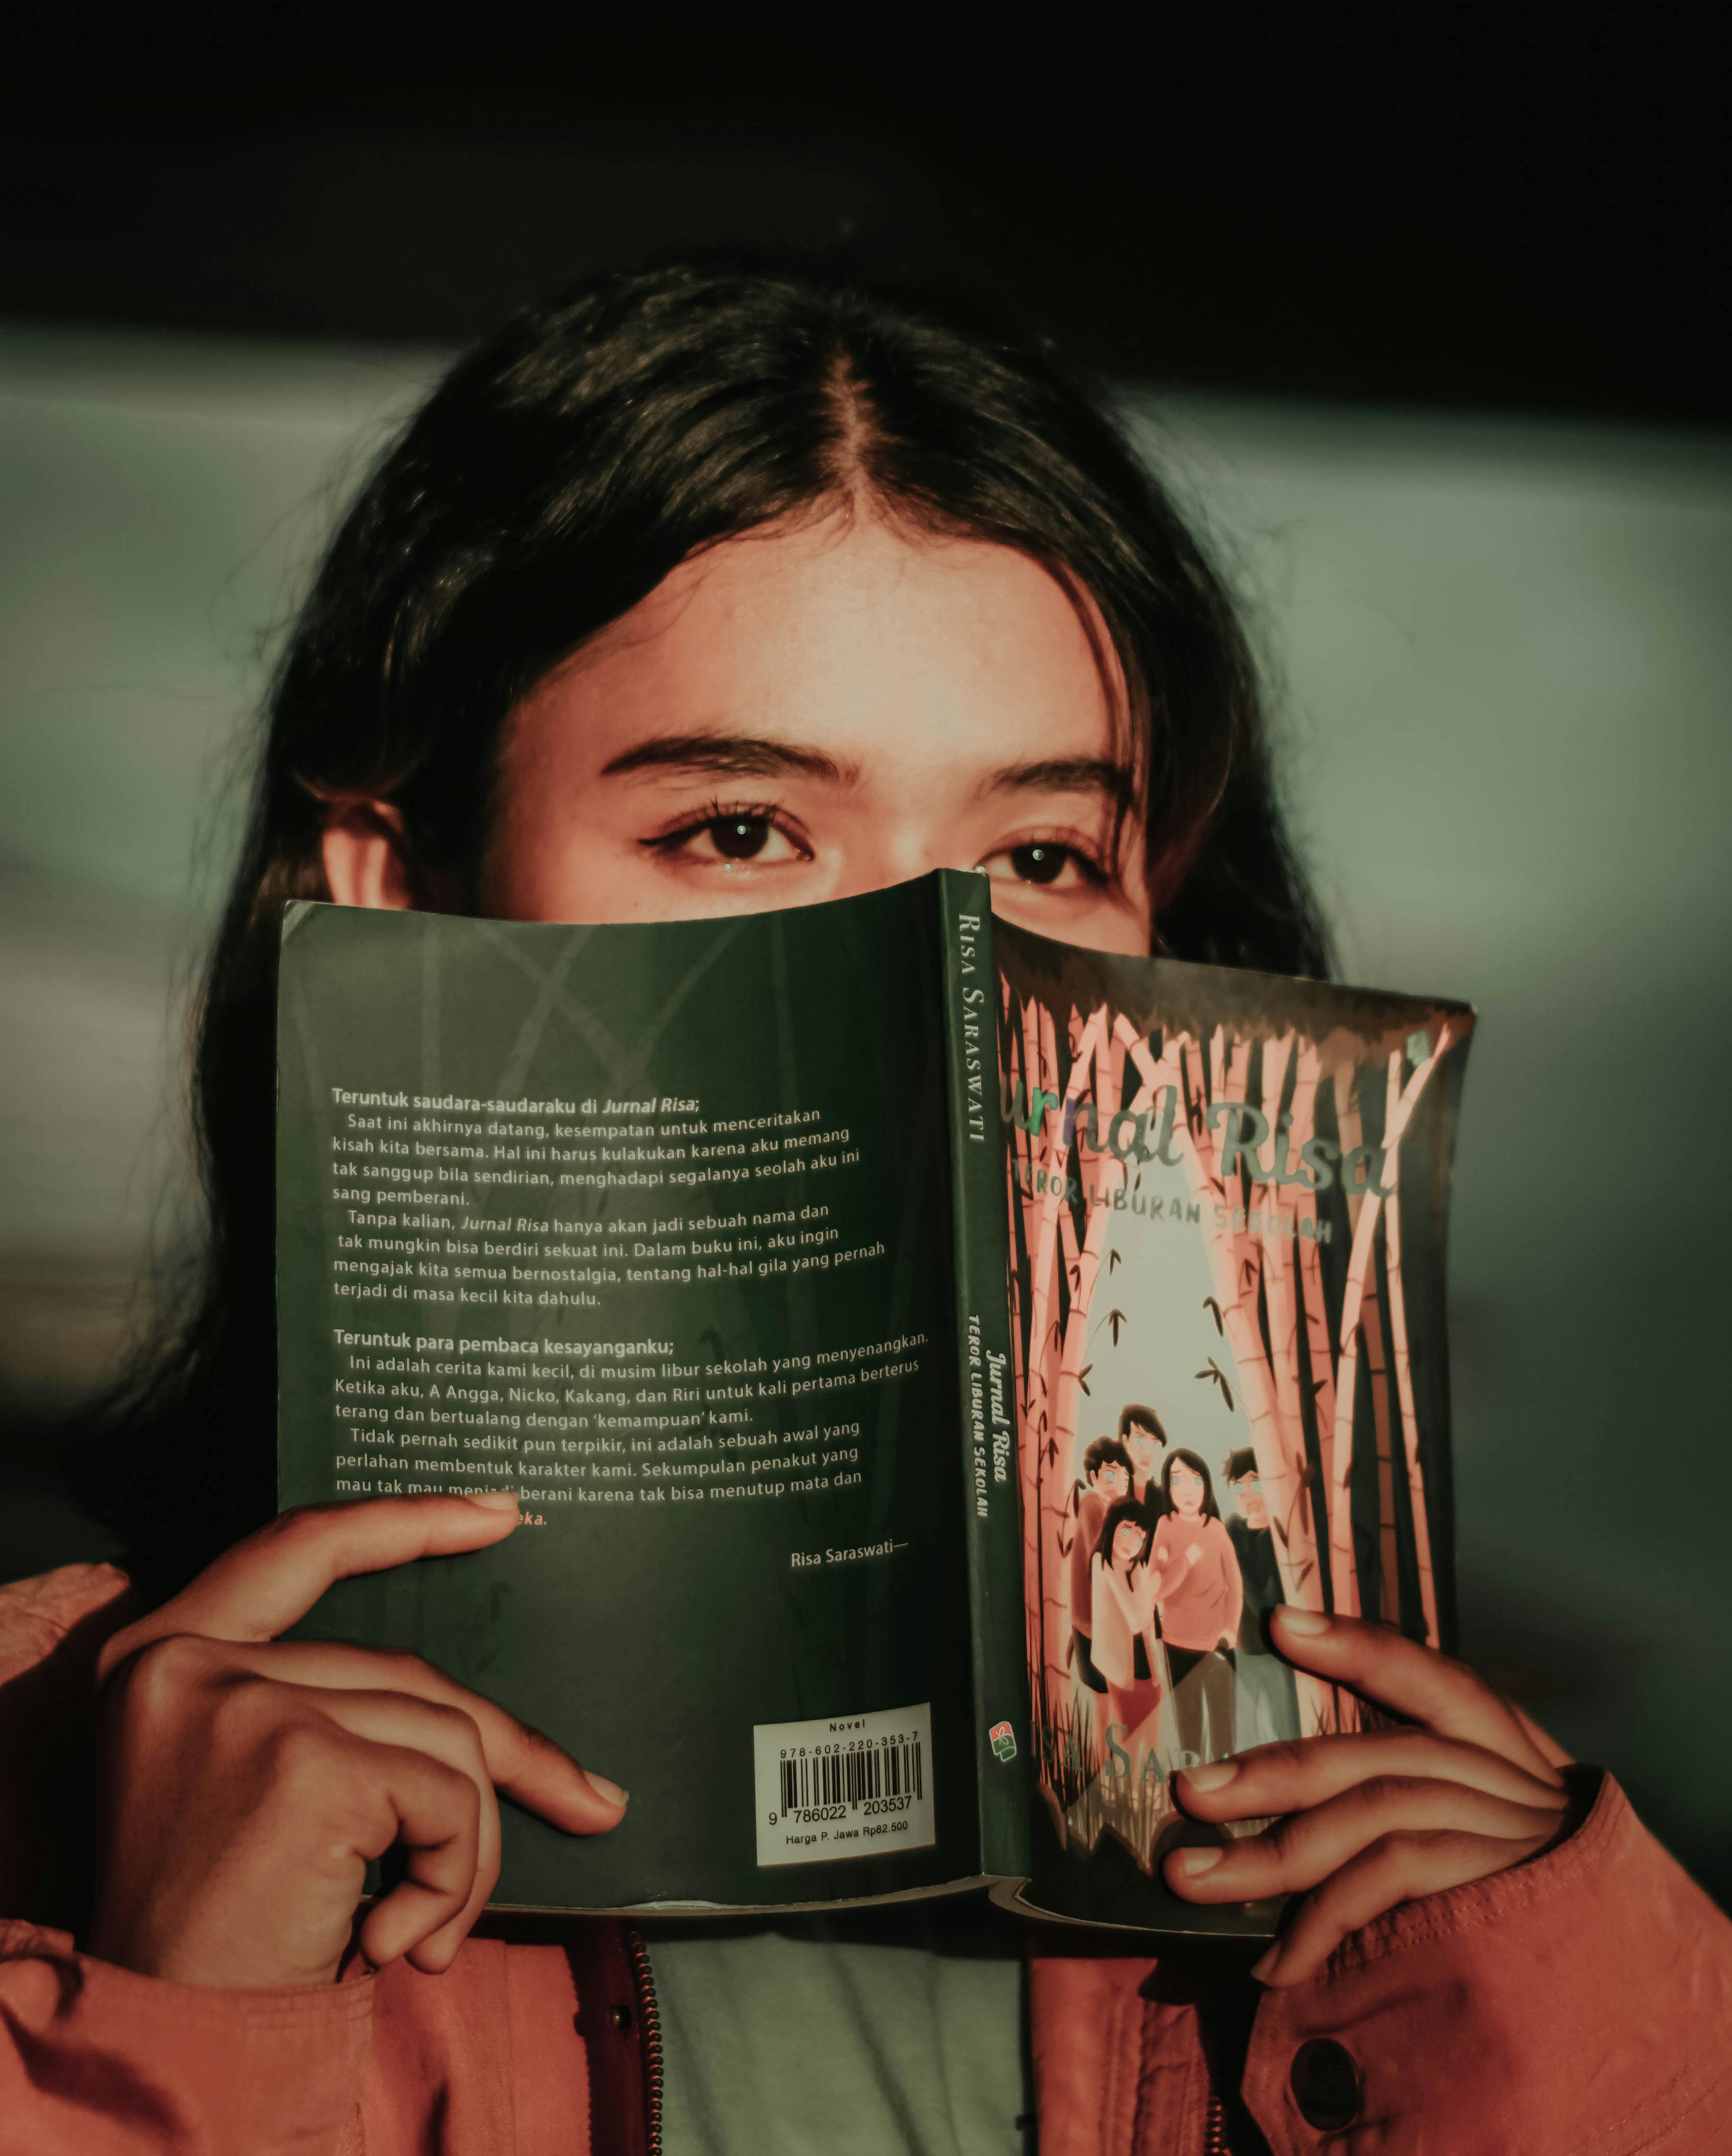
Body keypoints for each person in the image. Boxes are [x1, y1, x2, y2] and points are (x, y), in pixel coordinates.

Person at [3, 257, 1729, 2155]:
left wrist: (1554, 2016)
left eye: (1042, 851)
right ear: (395, 892)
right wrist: (178, 2022)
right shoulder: (56, 1772)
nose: (935, 972)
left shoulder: (1396, 1859)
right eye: (738, 828)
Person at [1148, 1450, 1242, 1766]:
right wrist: (1184, 1563)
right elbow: (1156, 1588)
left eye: (1196, 1480)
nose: (1188, 1490)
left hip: (1218, 1644)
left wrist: (1230, 1628)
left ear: (1207, 1486)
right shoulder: (1165, 1526)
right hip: (1177, 1643)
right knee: (1189, 1729)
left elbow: (1235, 1584)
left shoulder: (1215, 1528)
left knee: (1223, 1729)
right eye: (1177, 1480)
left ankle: (1227, 1791)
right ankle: (1196, 1796)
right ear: (1167, 1487)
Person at [1222, 1446, 1302, 1746]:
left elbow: (1267, 1604)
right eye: (1238, 1487)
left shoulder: (1281, 1539)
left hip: (1277, 1655)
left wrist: (1237, 1565)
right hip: (1243, 1653)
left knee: (1285, 1730)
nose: (1248, 1494)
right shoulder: (1233, 1529)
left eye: (1256, 1483)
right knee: (1246, 1737)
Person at [1088, 1499, 1164, 1754]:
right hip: (1119, 1664)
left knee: (1151, 1726)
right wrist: (1152, 1585)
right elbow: (1136, 1619)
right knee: (1127, 1731)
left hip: (1145, 1664)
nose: (1131, 1541)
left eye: (1140, 1537)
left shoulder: (1136, 1566)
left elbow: (1148, 1617)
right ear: (1112, 1527)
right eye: (1126, 1530)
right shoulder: (1103, 1563)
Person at [1067, 1434, 1133, 1704]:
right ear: (1094, 1476)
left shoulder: (1109, 1510)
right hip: (1093, 1623)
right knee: (1106, 1692)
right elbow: (1105, 1562)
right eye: (1111, 1475)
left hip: (1101, 1622)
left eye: (1125, 1478)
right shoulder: (1094, 1506)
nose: (1119, 1484)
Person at [1119, 1402, 1170, 1512]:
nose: (1148, 1451)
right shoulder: (1115, 1491)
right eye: (1140, 1440)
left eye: (1155, 1443)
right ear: (1126, 1441)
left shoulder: (1165, 1500)